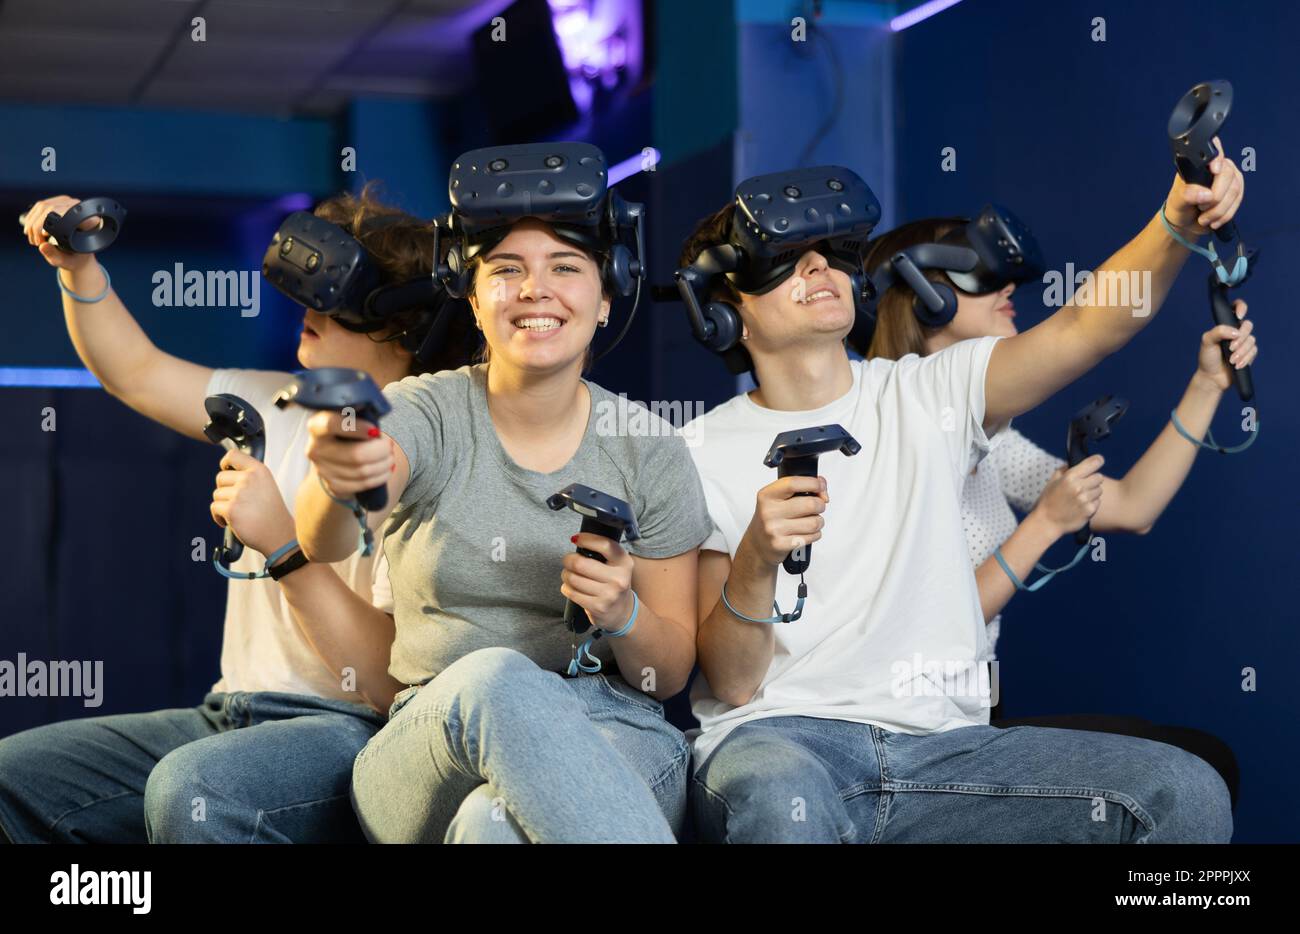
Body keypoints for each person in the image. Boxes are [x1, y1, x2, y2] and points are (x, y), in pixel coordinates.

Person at [678, 149, 1242, 843]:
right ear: (726, 308)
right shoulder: (692, 451)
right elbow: (731, 686)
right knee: (774, 794)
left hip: (948, 750)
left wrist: (1174, 219)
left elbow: (1086, 328)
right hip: (783, 745)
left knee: (1185, 790)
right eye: (783, 259)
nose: (816, 267)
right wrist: (758, 559)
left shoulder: (931, 393)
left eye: (825, 252)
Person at [0, 185, 468, 843]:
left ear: (401, 328)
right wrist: (79, 266)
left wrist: (282, 545)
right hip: (229, 714)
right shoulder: (274, 401)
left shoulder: (432, 455)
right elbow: (133, 371)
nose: (307, 309)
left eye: (333, 302)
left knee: (192, 789)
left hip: (349, 729)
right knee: (13, 780)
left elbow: (393, 684)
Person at [294, 146, 712, 843]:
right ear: (472, 296)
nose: (535, 289)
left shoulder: (651, 449)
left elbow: (663, 677)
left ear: (606, 299)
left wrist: (622, 610)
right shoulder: (423, 409)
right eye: (507, 270)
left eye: (566, 268)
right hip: (432, 734)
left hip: (611, 726)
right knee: (496, 679)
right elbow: (331, 531)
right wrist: (347, 474)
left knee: (493, 826)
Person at [860, 216, 1256, 807]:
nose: (1007, 290)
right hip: (907, 741)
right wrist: (1045, 524)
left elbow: (1130, 507)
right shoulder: (881, 432)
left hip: (974, 715)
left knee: (1203, 759)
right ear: (924, 293)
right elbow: (929, 628)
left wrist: (1206, 386)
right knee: (1190, 772)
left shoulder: (989, 437)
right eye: (981, 275)